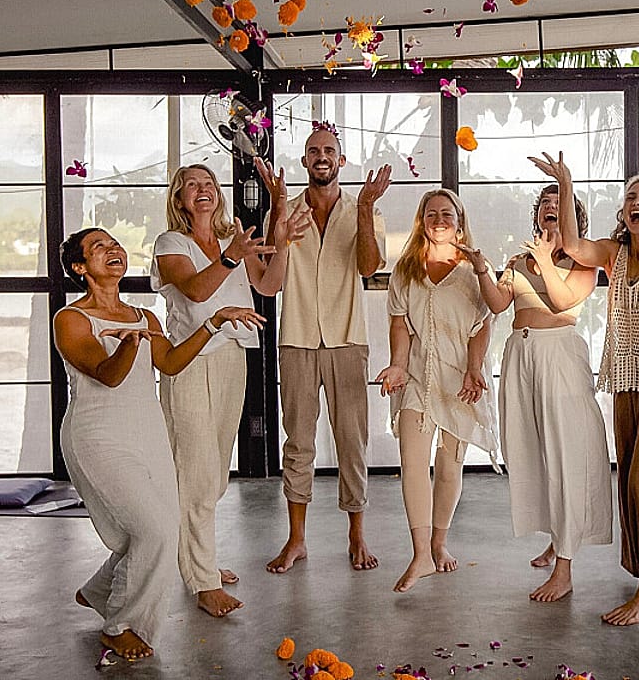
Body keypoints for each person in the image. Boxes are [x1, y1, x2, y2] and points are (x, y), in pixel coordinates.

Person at [54, 228, 262, 660]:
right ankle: (120, 625)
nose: (113, 250)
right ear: (80, 267)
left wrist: (213, 323)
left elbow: (170, 363)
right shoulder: (71, 320)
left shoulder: (144, 317)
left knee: (162, 527)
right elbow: (108, 375)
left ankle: (99, 590)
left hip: (146, 432)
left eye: (114, 244)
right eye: (98, 248)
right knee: (155, 531)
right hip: (97, 436)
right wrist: (129, 344)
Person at [531, 141, 639, 626]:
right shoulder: (615, 253)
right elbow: (573, 246)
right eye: (632, 197)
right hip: (631, 376)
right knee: (636, 475)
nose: (638, 202)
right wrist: (565, 183)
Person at [151, 163, 307, 617]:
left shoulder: (230, 239)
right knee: (197, 475)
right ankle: (203, 579)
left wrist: (283, 244)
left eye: (208, 184)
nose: (202, 190)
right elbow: (197, 292)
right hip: (189, 362)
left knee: (215, 475)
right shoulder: (171, 243)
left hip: (232, 356)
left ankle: (195, 558)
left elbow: (269, 285)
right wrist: (232, 256)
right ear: (179, 198)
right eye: (191, 185)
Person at [460, 185, 612, 602]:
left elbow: (563, 303)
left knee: (565, 454)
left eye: (558, 204)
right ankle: (556, 538)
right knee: (531, 451)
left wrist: (545, 260)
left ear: (573, 218)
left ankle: (565, 567)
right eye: (544, 203)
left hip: (558, 354)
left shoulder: (582, 263)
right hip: (519, 354)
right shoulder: (519, 261)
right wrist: (482, 269)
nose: (550, 207)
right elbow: (497, 305)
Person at [256, 121, 392, 574]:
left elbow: (368, 267)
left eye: (329, 151)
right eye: (314, 151)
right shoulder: (284, 210)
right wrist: (278, 213)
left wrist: (366, 208)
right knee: (298, 441)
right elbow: (270, 280)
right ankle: (296, 539)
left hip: (347, 339)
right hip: (296, 338)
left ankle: (357, 533)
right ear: (304, 161)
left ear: (341, 161)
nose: (321, 157)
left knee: (352, 440)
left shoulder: (363, 208)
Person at [375, 189, 498, 592]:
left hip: (461, 380)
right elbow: (399, 323)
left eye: (448, 214)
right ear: (422, 221)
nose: (440, 219)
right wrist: (397, 364)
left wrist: (474, 369)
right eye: (432, 214)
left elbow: (483, 325)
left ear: (460, 223)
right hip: (416, 377)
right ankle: (421, 555)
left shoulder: (474, 270)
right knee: (412, 463)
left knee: (449, 467)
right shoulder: (406, 270)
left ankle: (439, 544)